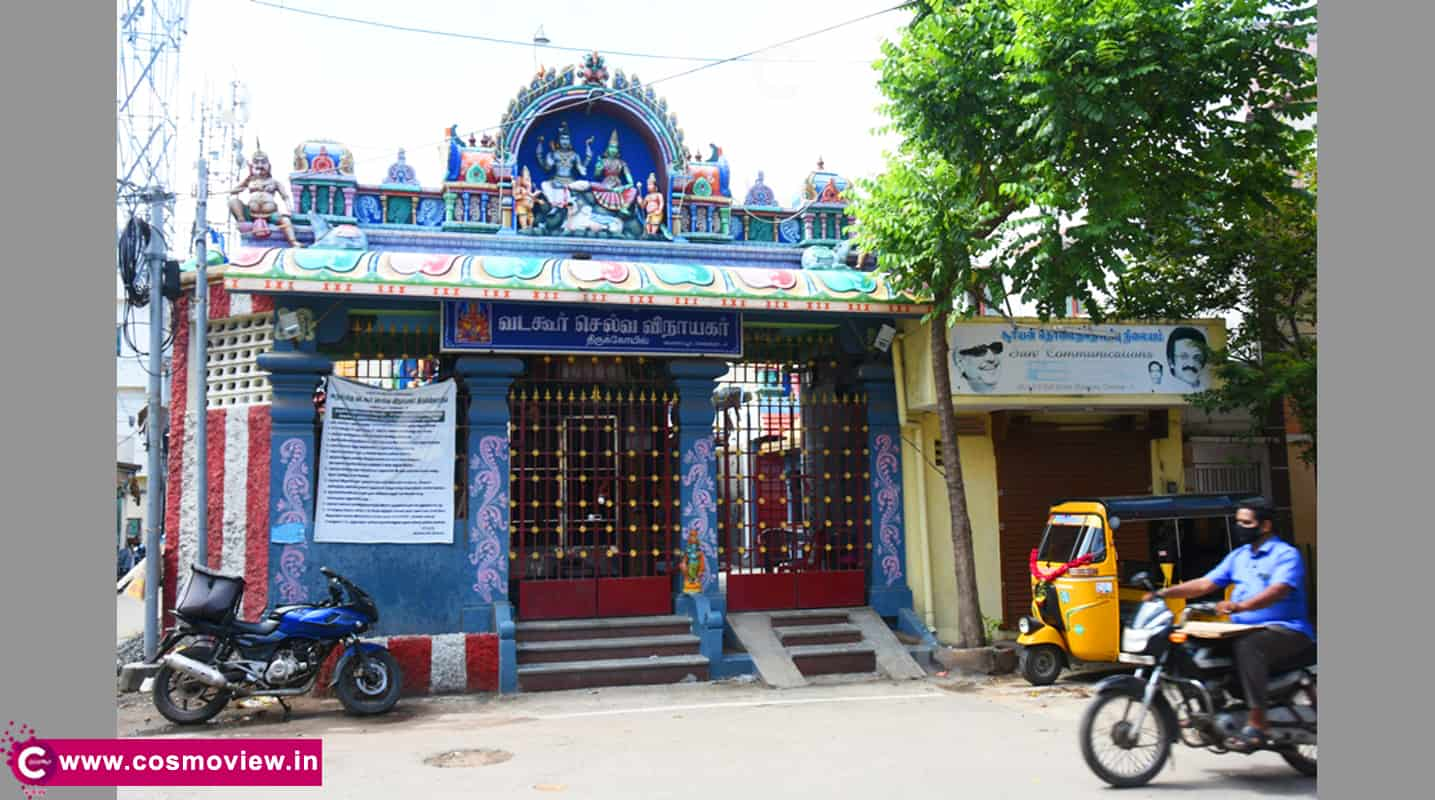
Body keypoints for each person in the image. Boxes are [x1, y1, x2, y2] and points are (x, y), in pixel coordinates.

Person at [1146, 501, 1315, 751]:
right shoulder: (1239, 557)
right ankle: (1207, 709)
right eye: (1238, 522)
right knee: (1187, 643)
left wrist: (1242, 606)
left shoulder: (1285, 555)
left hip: (1287, 630)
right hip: (1241, 629)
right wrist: (1164, 593)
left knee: (1250, 644)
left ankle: (1258, 721)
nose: (1240, 528)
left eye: (1246, 523)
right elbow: (1205, 584)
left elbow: (1279, 590)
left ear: (1265, 525)